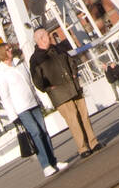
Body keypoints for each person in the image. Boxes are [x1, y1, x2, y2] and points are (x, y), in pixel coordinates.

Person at [0, 42, 66, 177]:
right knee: (36, 133)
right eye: (8, 49)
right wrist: (13, 116)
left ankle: (53, 161)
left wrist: (41, 99)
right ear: (3, 54)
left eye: (10, 48)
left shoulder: (19, 64)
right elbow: (5, 96)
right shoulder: (1, 74)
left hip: (33, 103)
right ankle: (45, 165)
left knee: (44, 131)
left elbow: (31, 84)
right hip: (21, 108)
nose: (11, 50)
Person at [31, 28, 102, 158]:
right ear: (41, 38)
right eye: (47, 35)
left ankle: (93, 142)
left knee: (84, 116)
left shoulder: (57, 49)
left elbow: (71, 61)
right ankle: (83, 148)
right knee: (73, 120)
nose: (50, 37)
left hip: (74, 87)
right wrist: (48, 88)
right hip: (60, 94)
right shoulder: (36, 58)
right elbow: (37, 80)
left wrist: (74, 75)